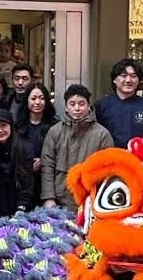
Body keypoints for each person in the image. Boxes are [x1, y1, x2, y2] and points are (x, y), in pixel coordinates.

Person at [40, 84, 114, 213]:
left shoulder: (102, 134)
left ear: (88, 106)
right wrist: (48, 197)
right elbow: (47, 165)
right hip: (59, 200)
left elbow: (108, 171)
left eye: (81, 104)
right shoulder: (55, 132)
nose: (77, 108)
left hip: (91, 202)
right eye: (72, 104)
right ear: (66, 108)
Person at [94, 59, 143, 167]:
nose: (128, 80)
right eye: (123, 75)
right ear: (114, 79)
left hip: (141, 167)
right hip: (108, 166)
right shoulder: (101, 106)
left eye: (133, 76)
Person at [0, 109, 35, 219]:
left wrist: (21, 208)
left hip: (19, 206)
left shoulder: (24, 148)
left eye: (4, 125)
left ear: (11, 126)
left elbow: (27, 182)